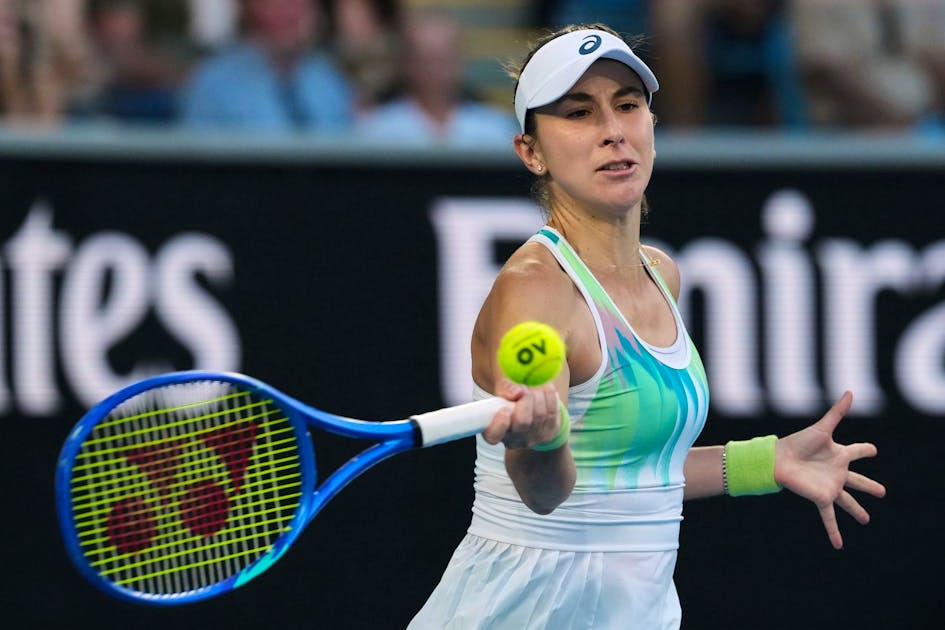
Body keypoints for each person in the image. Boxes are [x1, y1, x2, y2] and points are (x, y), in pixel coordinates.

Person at [408, 24, 885, 629]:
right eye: (579, 113)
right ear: (531, 152)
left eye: (628, 105)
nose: (613, 130)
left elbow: (633, 479)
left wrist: (768, 461)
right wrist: (542, 440)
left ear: (652, 125)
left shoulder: (660, 274)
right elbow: (543, 492)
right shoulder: (536, 290)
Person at [179, 0, 353, 132]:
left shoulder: (329, 79)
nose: (290, 13)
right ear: (252, 7)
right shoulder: (212, 83)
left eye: (299, 3)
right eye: (278, 3)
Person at [354, 9, 518, 146]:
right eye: (427, 58)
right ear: (407, 63)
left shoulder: (496, 129)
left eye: (446, 57)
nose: (437, 68)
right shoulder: (377, 130)